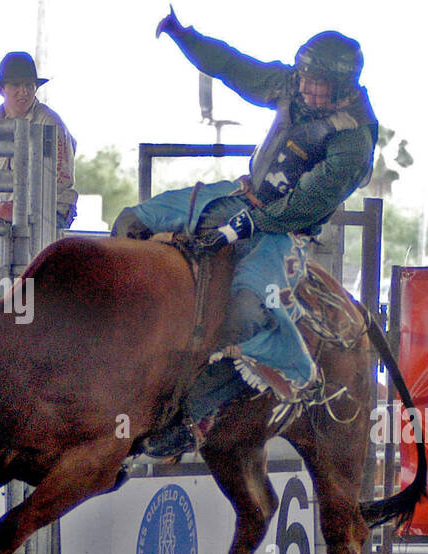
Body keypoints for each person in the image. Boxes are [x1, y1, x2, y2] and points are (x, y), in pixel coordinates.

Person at [116, 7, 377, 457]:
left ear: (343, 90)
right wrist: (184, 36)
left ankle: (198, 415)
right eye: (307, 78)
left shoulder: (353, 142)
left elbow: (301, 208)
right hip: (244, 194)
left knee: (246, 310)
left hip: (282, 230)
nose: (309, 90)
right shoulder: (290, 84)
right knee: (132, 221)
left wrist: (240, 227)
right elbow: (233, 66)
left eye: (320, 85)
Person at [0, 52, 79, 230]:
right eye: (16, 85)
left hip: (51, 211)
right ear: (1, 89)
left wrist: (16, 209)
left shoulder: (49, 123)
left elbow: (59, 181)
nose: (23, 91)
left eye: (29, 85)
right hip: (5, 215)